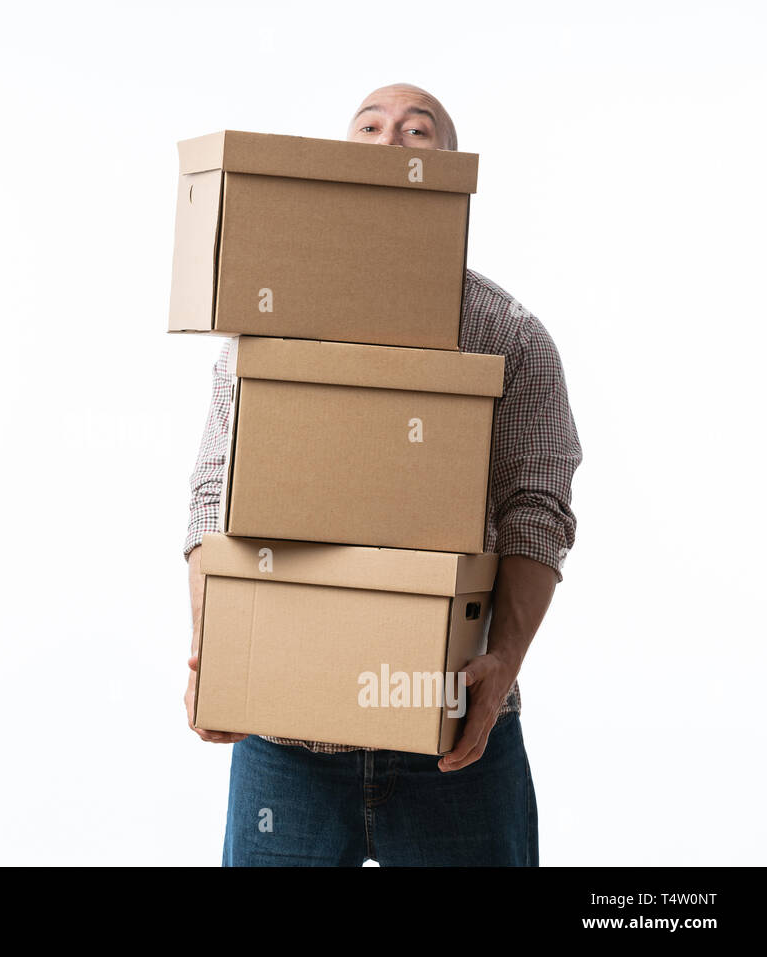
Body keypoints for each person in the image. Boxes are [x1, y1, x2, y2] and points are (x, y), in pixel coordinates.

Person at [181, 84, 583, 866]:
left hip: (453, 730)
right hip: (288, 739)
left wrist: (499, 669)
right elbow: (210, 500)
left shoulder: (510, 336)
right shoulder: (269, 330)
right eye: (368, 126)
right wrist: (217, 650)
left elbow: (538, 512)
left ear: (450, 172)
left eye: (416, 129)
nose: (390, 137)